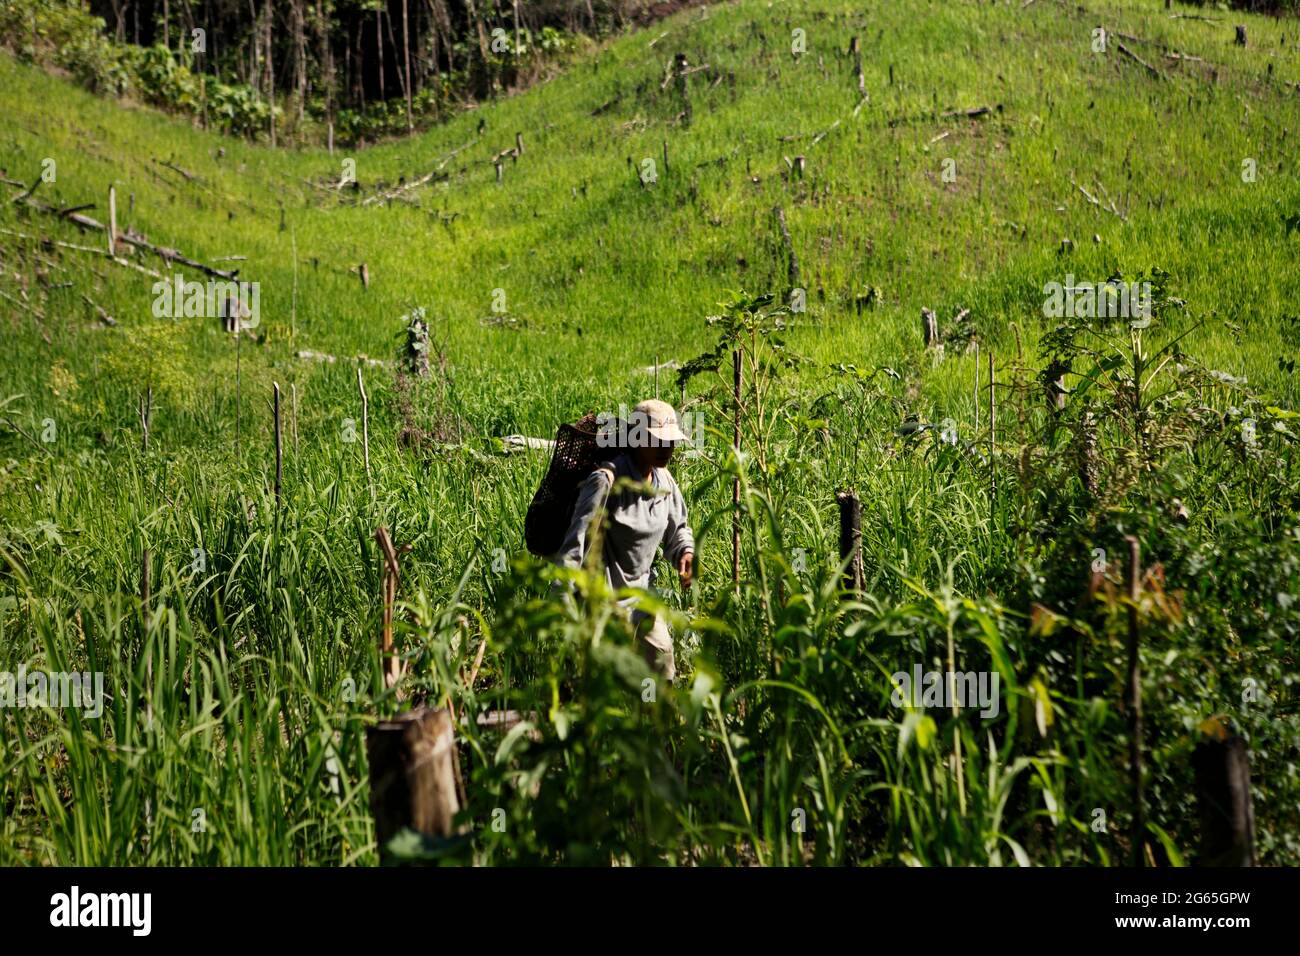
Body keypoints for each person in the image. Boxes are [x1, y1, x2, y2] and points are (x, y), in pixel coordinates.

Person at [554, 399, 695, 682]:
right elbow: (574, 547)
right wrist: (561, 605)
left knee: (660, 676)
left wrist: (685, 553)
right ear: (638, 439)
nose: (667, 449)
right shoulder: (606, 481)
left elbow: (678, 529)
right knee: (601, 691)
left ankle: (654, 725)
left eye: (670, 443)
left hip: (643, 603)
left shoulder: (664, 481)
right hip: (603, 607)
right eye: (659, 442)